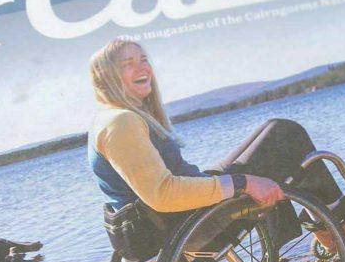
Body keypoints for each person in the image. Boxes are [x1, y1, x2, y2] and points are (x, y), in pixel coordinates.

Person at [87, 38, 286, 213]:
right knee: (283, 134)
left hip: (186, 210)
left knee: (271, 128)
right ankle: (300, 224)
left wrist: (232, 181)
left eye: (143, 60)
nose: (142, 68)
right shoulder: (120, 122)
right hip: (185, 221)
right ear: (107, 76)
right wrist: (244, 183)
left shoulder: (116, 117)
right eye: (128, 64)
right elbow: (162, 194)